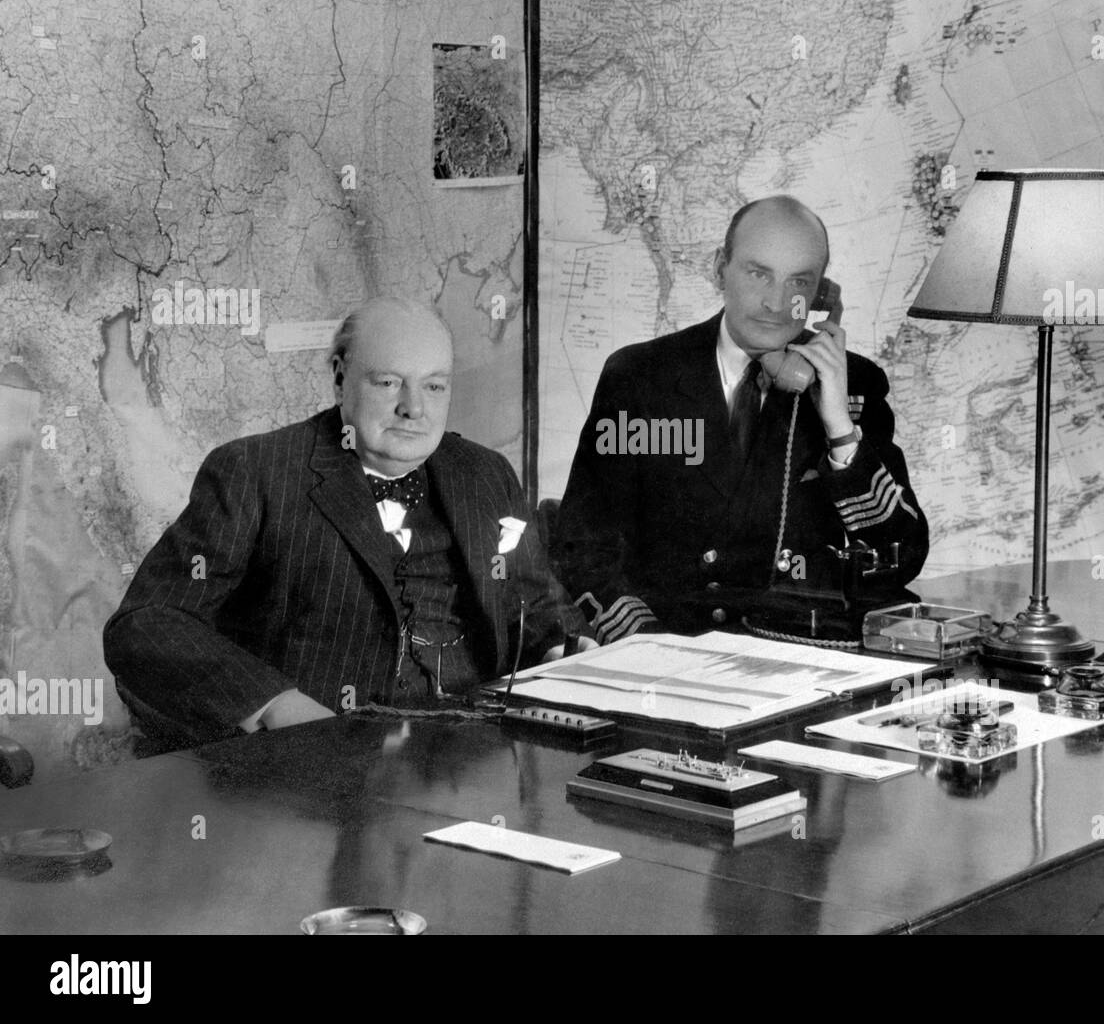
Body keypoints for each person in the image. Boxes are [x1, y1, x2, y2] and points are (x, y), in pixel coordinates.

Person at [104, 297, 591, 750]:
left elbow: (537, 603)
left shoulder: (484, 474)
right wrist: (272, 704)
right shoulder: (255, 473)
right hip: (318, 768)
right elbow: (146, 623)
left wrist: (564, 649)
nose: (413, 408)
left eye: (434, 386)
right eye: (388, 383)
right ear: (340, 378)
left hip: (474, 757)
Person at [554, 195, 928, 642]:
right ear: (719, 269)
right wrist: (649, 647)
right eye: (758, 273)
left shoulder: (855, 388)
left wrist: (839, 430)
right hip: (675, 652)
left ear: (819, 296)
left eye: (799, 283)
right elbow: (584, 550)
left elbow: (899, 558)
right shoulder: (641, 380)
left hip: (800, 657)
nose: (775, 302)